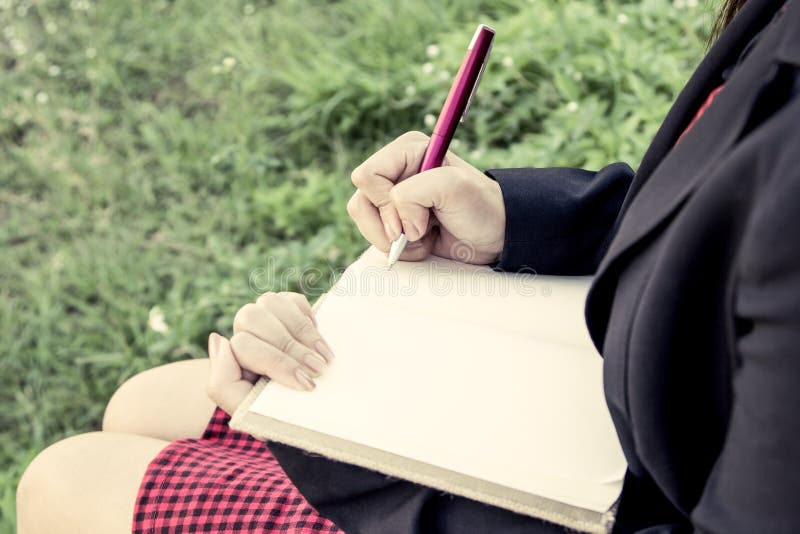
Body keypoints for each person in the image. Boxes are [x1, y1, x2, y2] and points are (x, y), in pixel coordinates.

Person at [16, 0, 800, 532]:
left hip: (579, 493)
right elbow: (713, 210)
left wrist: (338, 447)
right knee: (141, 401)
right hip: (600, 398)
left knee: (64, 483)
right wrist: (509, 217)